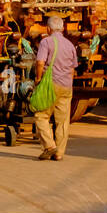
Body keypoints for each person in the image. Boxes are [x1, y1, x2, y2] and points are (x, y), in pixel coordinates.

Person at [32, 16, 79, 161]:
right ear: (63, 29)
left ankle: (49, 145)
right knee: (63, 121)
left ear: (48, 28)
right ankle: (59, 153)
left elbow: (40, 62)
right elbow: (72, 69)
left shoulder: (46, 42)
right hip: (66, 86)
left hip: (50, 84)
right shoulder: (70, 45)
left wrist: (38, 79)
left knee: (41, 115)